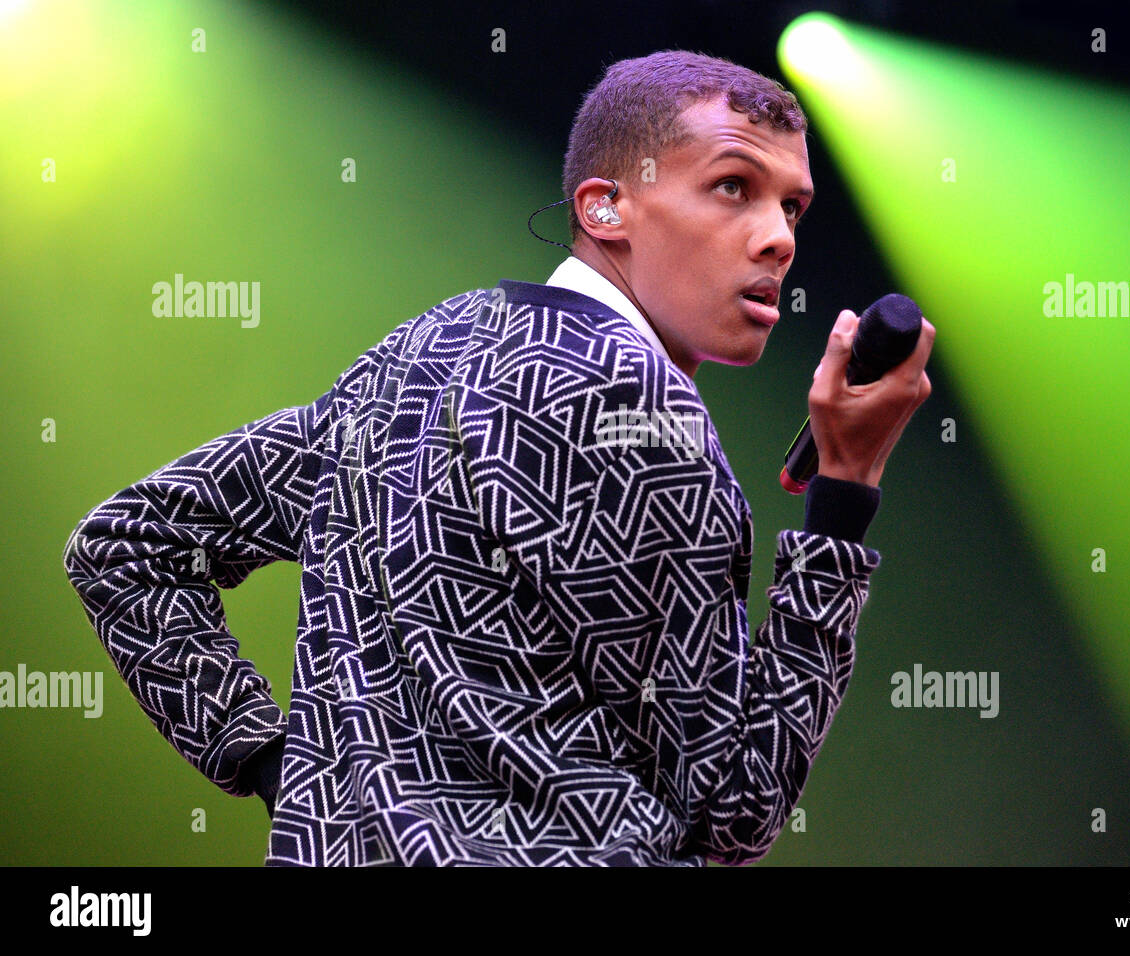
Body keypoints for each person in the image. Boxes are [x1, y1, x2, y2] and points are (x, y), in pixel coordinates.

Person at [62, 49, 934, 866]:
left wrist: (284, 773)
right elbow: (736, 812)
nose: (779, 237)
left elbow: (123, 549)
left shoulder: (410, 358)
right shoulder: (649, 415)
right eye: (733, 187)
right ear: (605, 206)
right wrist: (845, 495)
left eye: (792, 207)